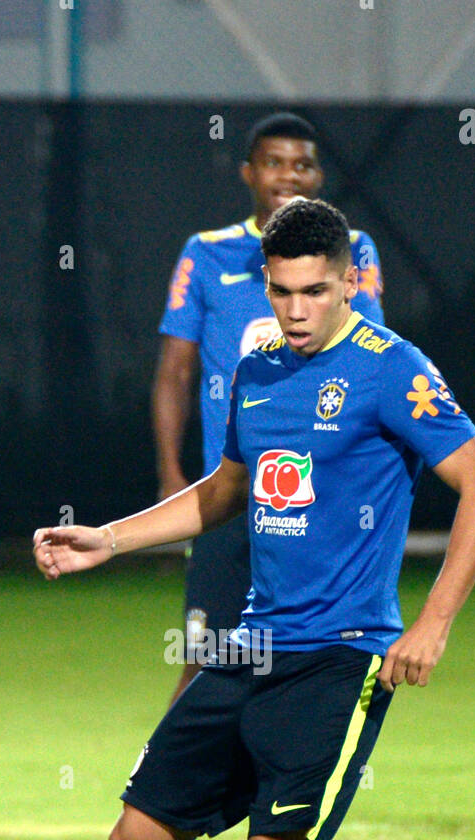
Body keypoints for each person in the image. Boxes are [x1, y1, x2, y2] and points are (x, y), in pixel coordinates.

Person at [34, 198, 475, 840]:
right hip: (251, 643)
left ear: (347, 282)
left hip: (342, 656)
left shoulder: (390, 370)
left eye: (315, 291)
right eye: (283, 291)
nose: (298, 309)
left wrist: (433, 623)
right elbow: (226, 492)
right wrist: (109, 540)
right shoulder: (254, 369)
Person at [154, 112, 384, 704]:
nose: (289, 175)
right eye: (275, 163)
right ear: (249, 173)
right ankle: (168, 792)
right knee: (206, 660)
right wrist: (170, 475)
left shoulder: (352, 251)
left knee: (307, 664)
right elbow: (175, 372)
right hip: (226, 497)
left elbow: (370, 364)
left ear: (318, 175)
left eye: (302, 163)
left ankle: (279, 788)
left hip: (314, 500)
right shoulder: (206, 254)